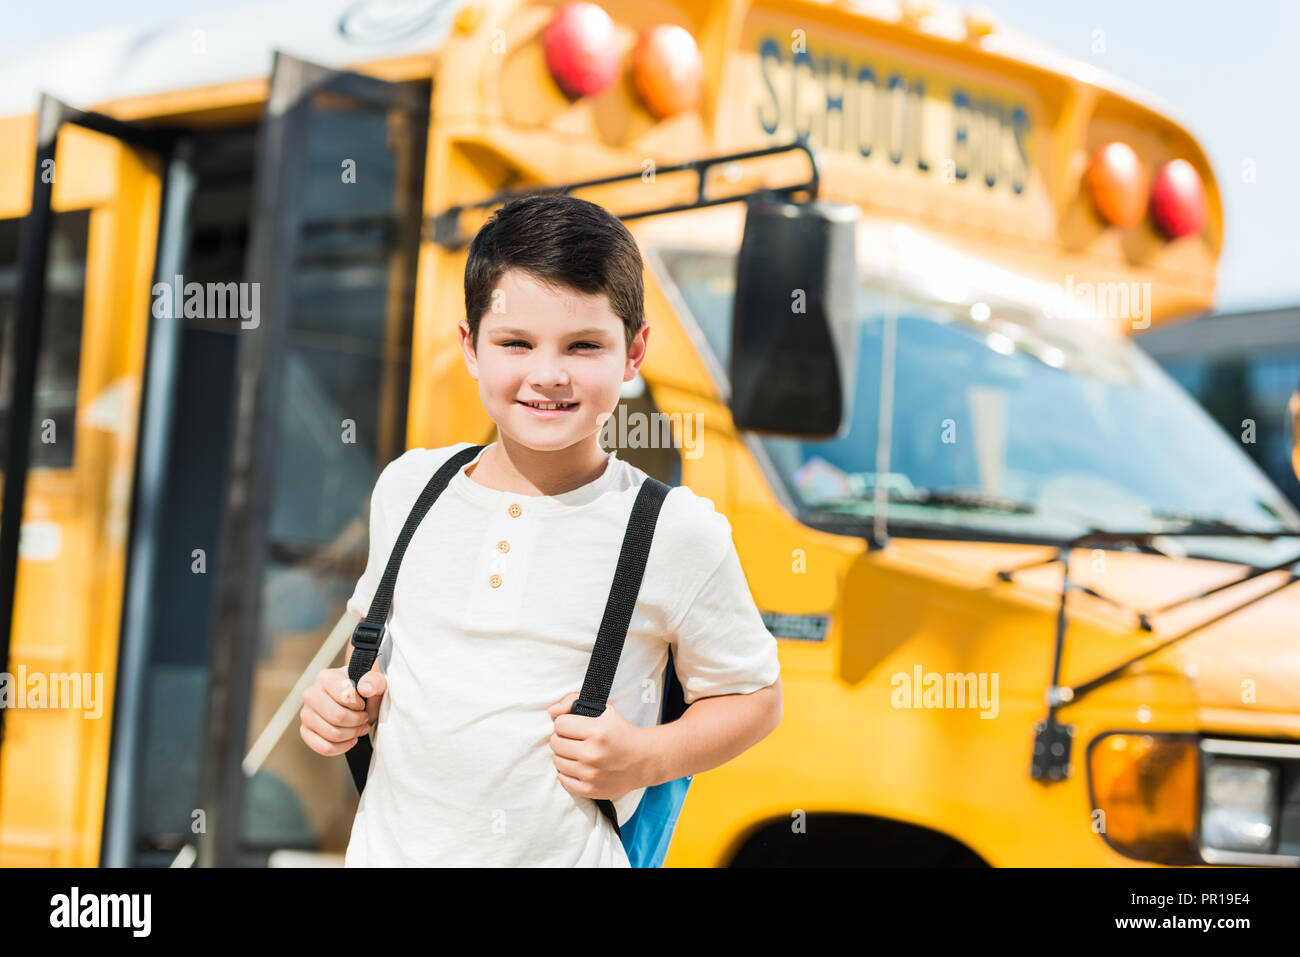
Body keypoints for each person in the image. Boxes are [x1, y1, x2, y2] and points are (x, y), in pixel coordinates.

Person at [300, 194, 782, 866]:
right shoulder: (409, 488)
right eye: (515, 343)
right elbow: (372, 660)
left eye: (583, 345)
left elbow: (756, 698)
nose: (548, 374)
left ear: (634, 352)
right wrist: (340, 702)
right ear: (470, 347)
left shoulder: (673, 529)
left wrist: (646, 756)